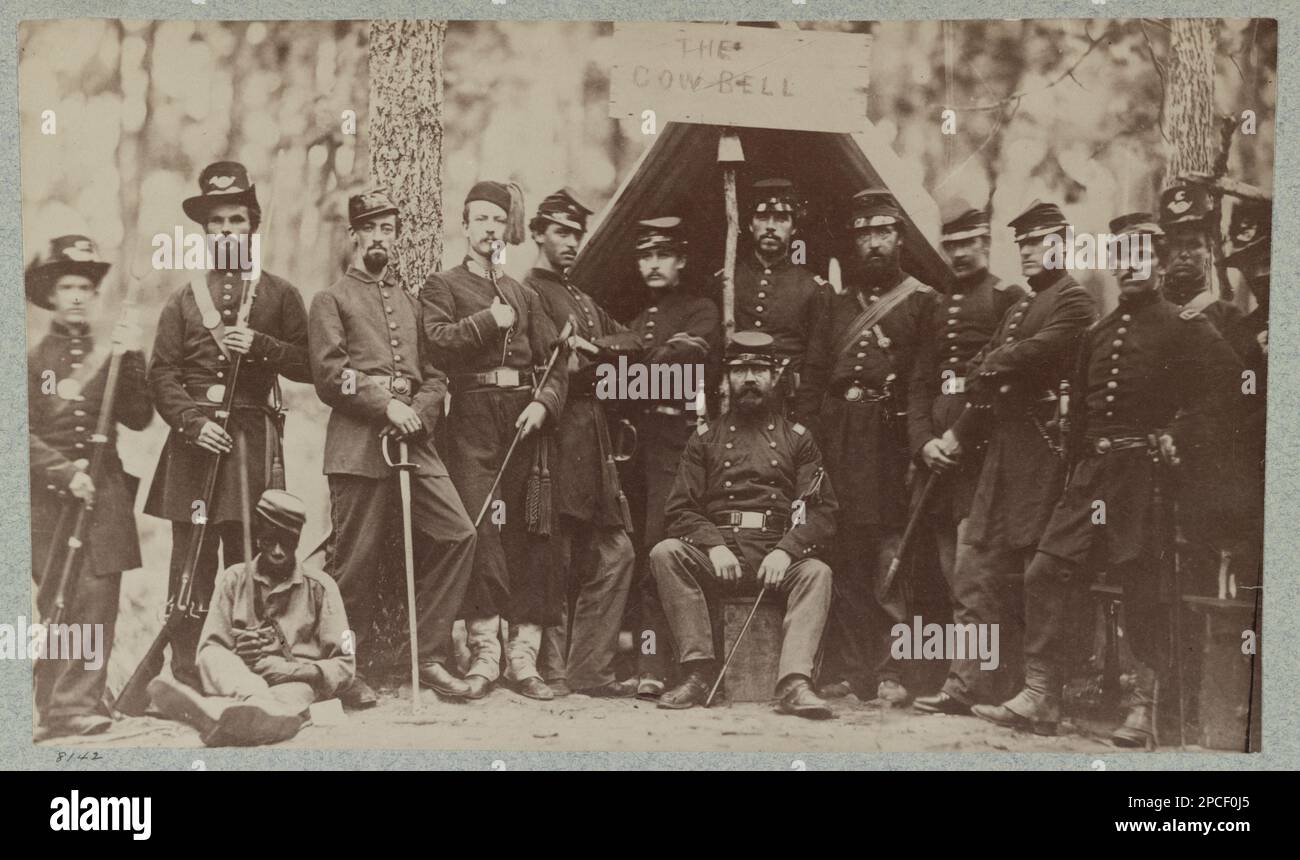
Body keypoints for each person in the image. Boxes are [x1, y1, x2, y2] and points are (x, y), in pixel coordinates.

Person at [972, 210, 1242, 747]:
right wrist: (1070, 474)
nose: (1130, 266)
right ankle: (1042, 694)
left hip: (1144, 479)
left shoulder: (1185, 326)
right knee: (1044, 571)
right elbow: (1078, 420)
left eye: (1141, 256)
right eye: (1121, 257)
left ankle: (1145, 707)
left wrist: (1179, 433)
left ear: (1160, 265)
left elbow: (1232, 390)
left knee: (1145, 587)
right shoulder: (1098, 333)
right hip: (1090, 477)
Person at [914, 200, 1096, 716]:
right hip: (1001, 453)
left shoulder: (1074, 301)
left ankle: (1039, 692)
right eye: (1024, 246)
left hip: (1046, 455)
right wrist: (993, 368)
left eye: (1039, 244)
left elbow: (1037, 352)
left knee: (1038, 578)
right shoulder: (1019, 308)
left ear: (1065, 243)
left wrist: (994, 366)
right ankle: (965, 685)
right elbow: (980, 369)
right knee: (975, 570)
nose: (1030, 254)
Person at [144, 161, 310, 689]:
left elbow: (309, 364)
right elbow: (162, 374)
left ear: (251, 227)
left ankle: (247, 661)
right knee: (190, 560)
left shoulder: (280, 294)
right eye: (214, 222)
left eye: (235, 220)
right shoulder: (183, 298)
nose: (224, 231)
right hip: (195, 445)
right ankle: (186, 668)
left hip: (252, 442)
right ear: (204, 232)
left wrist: (261, 347)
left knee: (251, 555)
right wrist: (192, 423)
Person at [308, 189, 477, 705]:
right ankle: (341, 670)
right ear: (353, 234)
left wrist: (419, 415)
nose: (380, 238)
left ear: (397, 236)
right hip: (358, 447)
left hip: (414, 442)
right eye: (371, 228)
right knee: (354, 566)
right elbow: (330, 375)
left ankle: (426, 656)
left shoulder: (410, 300)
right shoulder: (331, 299)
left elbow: (435, 375)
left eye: (388, 229)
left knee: (458, 534)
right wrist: (387, 406)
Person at [421, 180, 568, 701]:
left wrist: (541, 403)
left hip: (524, 422)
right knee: (481, 528)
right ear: (464, 225)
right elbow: (435, 345)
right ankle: (485, 651)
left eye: (497, 221)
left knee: (529, 532)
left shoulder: (525, 294)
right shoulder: (443, 286)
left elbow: (556, 363)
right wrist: (487, 320)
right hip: (472, 422)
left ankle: (523, 658)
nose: (489, 229)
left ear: (508, 230)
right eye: (480, 219)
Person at [795, 189, 940, 706]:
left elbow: (924, 382)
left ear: (899, 237)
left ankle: (891, 670)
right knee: (845, 554)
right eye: (864, 235)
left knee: (889, 558)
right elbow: (813, 378)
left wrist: (913, 446)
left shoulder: (923, 302)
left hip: (888, 441)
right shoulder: (834, 304)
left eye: (883, 233)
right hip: (837, 438)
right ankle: (849, 668)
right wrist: (806, 451)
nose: (874, 244)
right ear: (854, 242)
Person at [649, 332, 837, 717]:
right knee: (665, 553)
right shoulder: (705, 439)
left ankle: (794, 683)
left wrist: (787, 550)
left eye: (758, 370)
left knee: (817, 572)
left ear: (774, 377)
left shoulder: (798, 440)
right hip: (721, 555)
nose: (749, 379)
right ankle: (698, 673)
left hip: (776, 556)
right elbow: (681, 508)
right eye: (740, 370)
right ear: (727, 379)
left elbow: (818, 511)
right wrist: (713, 545)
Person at [27, 235, 153, 739]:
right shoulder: (31, 359)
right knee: (61, 596)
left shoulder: (111, 352)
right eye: (68, 285)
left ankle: (82, 702)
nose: (78, 295)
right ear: (51, 295)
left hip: (106, 490)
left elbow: (140, 417)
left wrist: (134, 356)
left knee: (101, 596)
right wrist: (65, 473)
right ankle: (57, 704)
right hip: (51, 495)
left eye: (85, 286)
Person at [594, 216, 721, 699]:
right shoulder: (634, 317)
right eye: (645, 256)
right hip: (634, 446)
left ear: (681, 260)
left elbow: (682, 362)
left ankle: (669, 664)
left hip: (676, 444)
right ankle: (646, 662)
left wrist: (626, 363)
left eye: (662, 255)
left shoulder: (701, 311)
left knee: (662, 550)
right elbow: (610, 384)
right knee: (628, 548)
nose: (652, 264)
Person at [525, 189, 637, 697]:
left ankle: (591, 668)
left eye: (576, 234)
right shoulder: (530, 293)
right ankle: (553, 669)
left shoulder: (584, 301)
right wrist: (587, 359)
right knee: (557, 555)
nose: (571, 242)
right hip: (556, 437)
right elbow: (557, 366)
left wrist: (595, 349)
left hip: (594, 439)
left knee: (617, 553)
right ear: (537, 234)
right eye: (561, 232)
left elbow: (634, 341)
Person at [148, 490, 355, 747]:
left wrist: (292, 670)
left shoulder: (322, 587)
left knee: (289, 698)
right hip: (240, 678)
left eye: (288, 542)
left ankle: (221, 713)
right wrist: (238, 648)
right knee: (217, 659)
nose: (278, 551)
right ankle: (250, 710)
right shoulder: (234, 578)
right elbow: (210, 648)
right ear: (258, 538)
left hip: (293, 682)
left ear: (298, 539)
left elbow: (345, 664)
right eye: (270, 541)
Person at [911, 199, 1027, 591]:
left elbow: (1007, 384)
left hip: (981, 458)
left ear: (987, 242)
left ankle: (974, 654)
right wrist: (923, 443)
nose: (958, 253)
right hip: (938, 464)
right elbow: (921, 382)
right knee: (947, 573)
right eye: (951, 245)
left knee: (971, 575)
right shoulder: (936, 305)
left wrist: (963, 434)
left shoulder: (1007, 298)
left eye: (968, 242)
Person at [730, 178, 831, 408]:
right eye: (763, 217)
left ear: (794, 228)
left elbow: (816, 365)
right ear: (749, 224)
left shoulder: (814, 288)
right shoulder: (726, 280)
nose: (771, 226)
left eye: (781, 219)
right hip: (734, 403)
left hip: (785, 406)